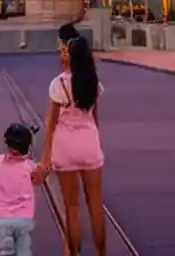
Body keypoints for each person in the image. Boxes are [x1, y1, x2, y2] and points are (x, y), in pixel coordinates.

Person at [39, 32, 106, 256]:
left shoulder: (58, 84)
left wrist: (45, 157)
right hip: (89, 143)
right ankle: (102, 252)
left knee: (72, 208)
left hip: (65, 146)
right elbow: (95, 119)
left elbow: (51, 123)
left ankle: (73, 253)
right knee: (96, 207)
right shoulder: (93, 83)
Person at [0, 123, 42, 256]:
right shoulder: (30, 167)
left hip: (2, 218)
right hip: (24, 217)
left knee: (6, 250)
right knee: (23, 249)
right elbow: (40, 177)